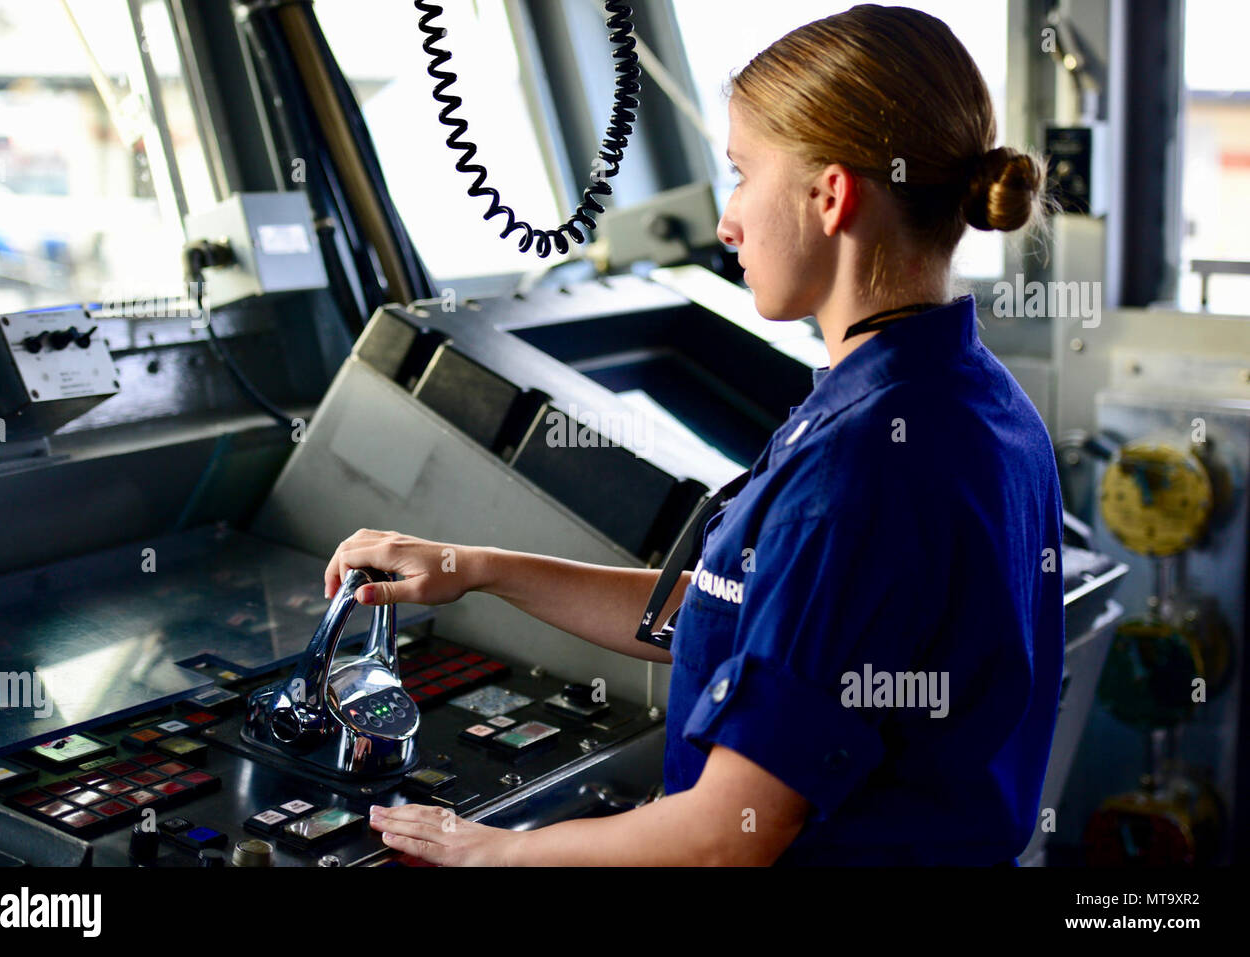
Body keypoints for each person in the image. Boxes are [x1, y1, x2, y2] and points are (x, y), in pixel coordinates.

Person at [323, 3, 1063, 866]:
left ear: (830, 196)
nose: (727, 221)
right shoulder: (978, 401)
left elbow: (724, 837)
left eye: (742, 173)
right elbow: (744, 613)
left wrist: (491, 851)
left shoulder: (857, 470)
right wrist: (478, 570)